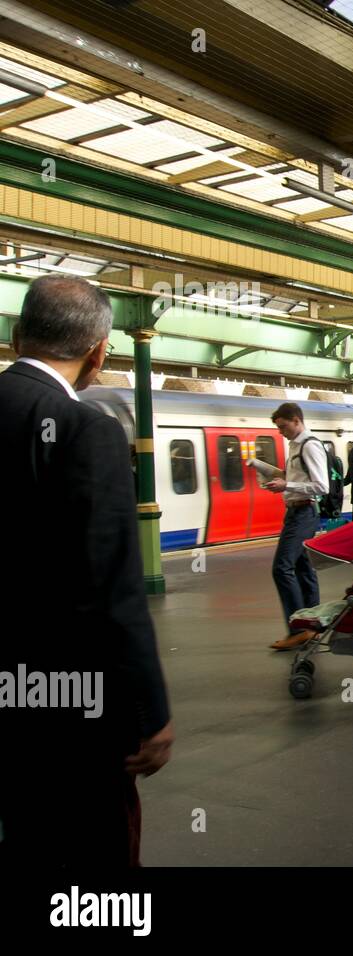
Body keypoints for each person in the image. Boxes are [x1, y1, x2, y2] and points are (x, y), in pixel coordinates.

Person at [0, 274, 172, 866]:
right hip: (69, 705)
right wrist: (151, 712)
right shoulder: (86, 428)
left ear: (18, 335)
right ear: (99, 352)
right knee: (93, 851)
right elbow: (113, 589)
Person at [266, 401, 330, 650]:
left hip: (304, 513)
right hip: (295, 512)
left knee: (281, 568)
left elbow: (321, 486)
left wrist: (287, 486)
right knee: (304, 569)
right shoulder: (295, 445)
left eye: (283, 427)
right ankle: (313, 626)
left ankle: (298, 629)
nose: (280, 432)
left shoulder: (310, 445)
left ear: (296, 420)